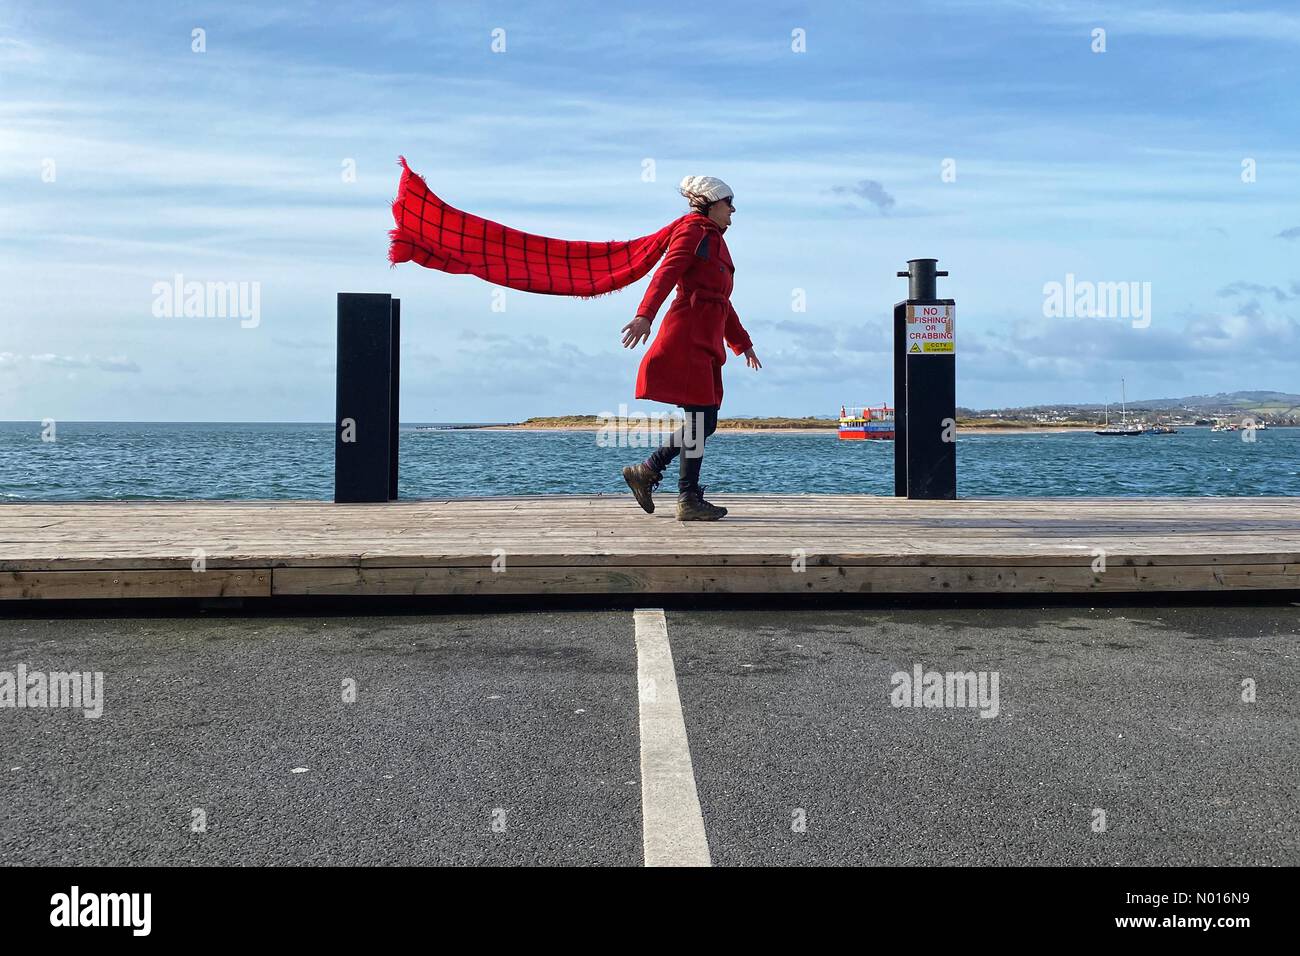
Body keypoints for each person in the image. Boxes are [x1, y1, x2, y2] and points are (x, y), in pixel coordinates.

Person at [620, 176, 761, 521]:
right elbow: (666, 274)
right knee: (702, 419)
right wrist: (644, 315)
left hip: (706, 340)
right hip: (686, 337)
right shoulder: (694, 231)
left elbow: (722, 302)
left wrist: (743, 344)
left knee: (703, 420)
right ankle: (681, 493)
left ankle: (659, 478)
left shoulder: (713, 239)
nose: (733, 210)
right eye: (729, 203)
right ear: (712, 204)